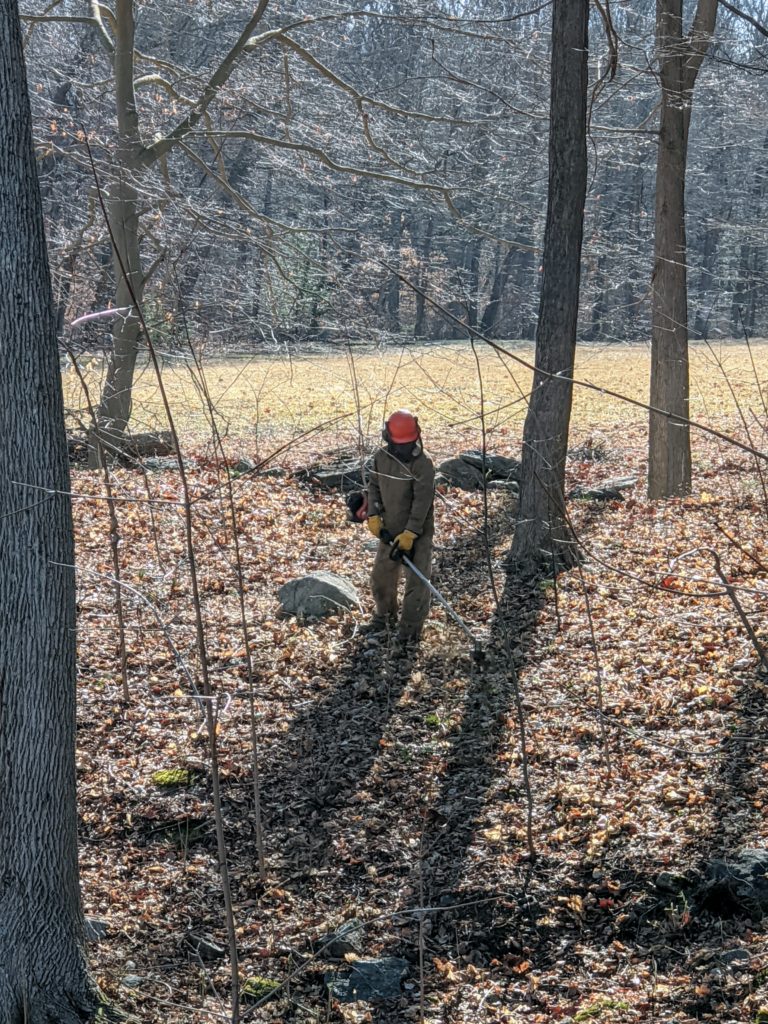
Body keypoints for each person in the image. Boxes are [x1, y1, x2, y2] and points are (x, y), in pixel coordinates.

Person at [365, 410, 435, 643]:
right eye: (400, 445)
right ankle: (384, 617)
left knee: (418, 582)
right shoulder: (381, 458)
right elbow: (374, 485)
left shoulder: (423, 465)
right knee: (381, 576)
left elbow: (422, 501)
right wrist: (374, 515)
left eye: (408, 445)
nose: (404, 450)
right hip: (390, 529)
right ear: (389, 439)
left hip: (418, 532)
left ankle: (410, 629)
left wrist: (411, 533)